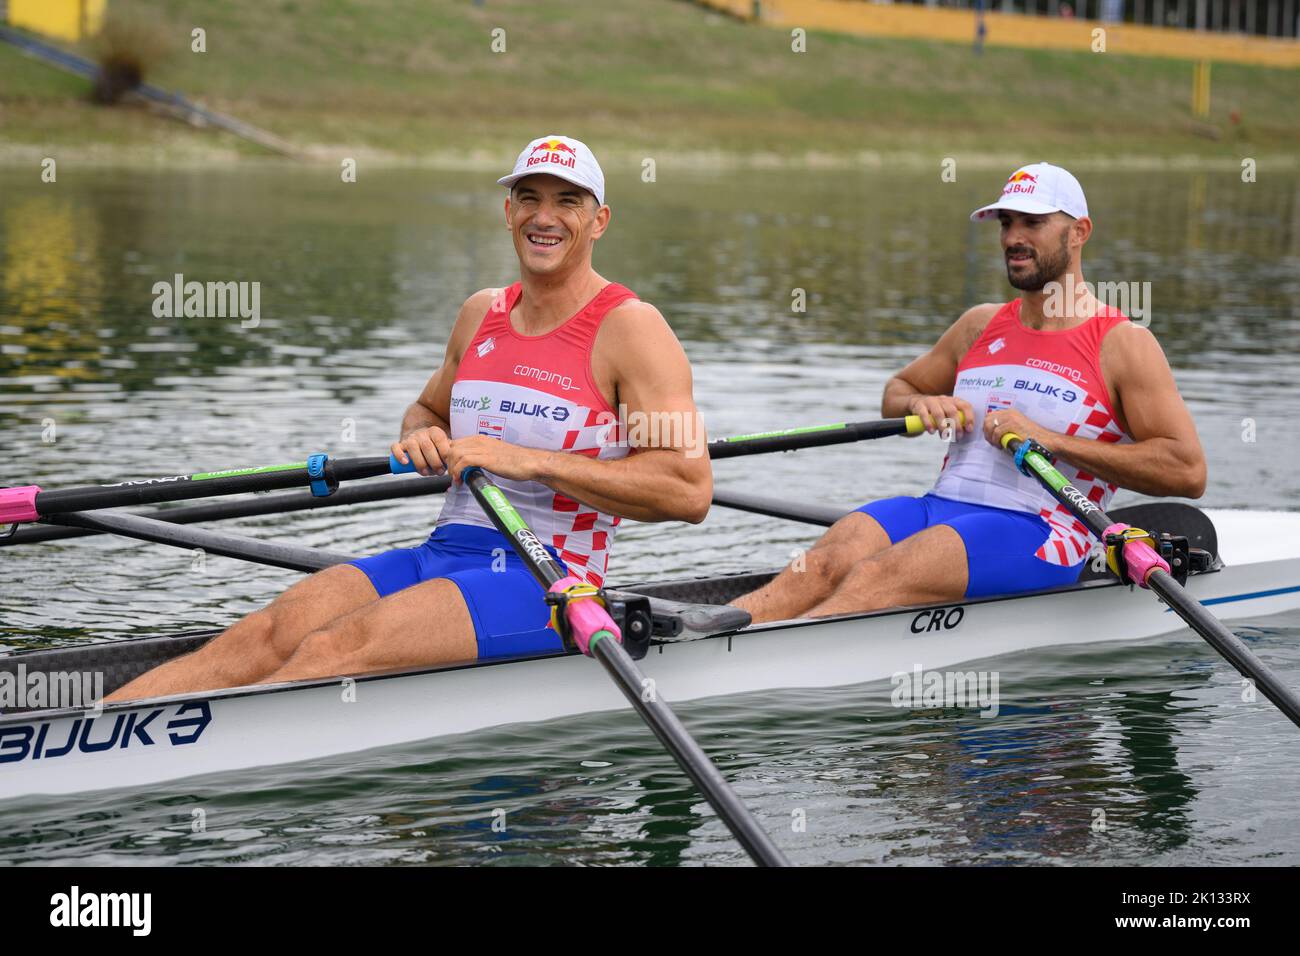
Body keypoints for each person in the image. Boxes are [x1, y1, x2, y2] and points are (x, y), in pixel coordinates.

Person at [108, 135, 711, 701]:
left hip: (551, 578)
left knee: (336, 647)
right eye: (529, 198)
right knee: (267, 634)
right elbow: (428, 408)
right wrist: (419, 432)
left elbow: (687, 489)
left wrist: (531, 462)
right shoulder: (482, 314)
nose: (544, 217)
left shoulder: (632, 328)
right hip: (443, 552)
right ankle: (78, 733)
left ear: (599, 220)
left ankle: (197, 754)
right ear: (508, 212)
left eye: (567, 201)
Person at [733, 162, 1205, 623]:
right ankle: (712, 638)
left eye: (1033, 223)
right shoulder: (979, 325)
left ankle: (761, 669)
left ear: (1079, 232)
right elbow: (899, 390)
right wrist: (921, 403)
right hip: (940, 506)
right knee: (825, 563)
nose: (1013, 238)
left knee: (878, 573)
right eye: (1006, 222)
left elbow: (1186, 470)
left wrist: (1049, 440)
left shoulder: (1121, 344)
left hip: (1043, 527)